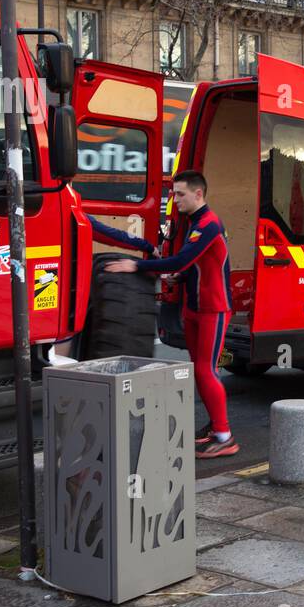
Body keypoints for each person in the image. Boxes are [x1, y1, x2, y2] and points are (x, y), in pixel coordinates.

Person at [106, 170, 238, 458]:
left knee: (206, 370)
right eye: (173, 193)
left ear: (198, 194)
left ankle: (225, 437)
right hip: (195, 306)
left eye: (180, 194)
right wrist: (181, 276)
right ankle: (216, 427)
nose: (174, 199)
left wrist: (136, 266)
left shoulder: (208, 224)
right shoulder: (195, 223)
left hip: (213, 309)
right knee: (200, 369)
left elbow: (182, 258)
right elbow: (195, 263)